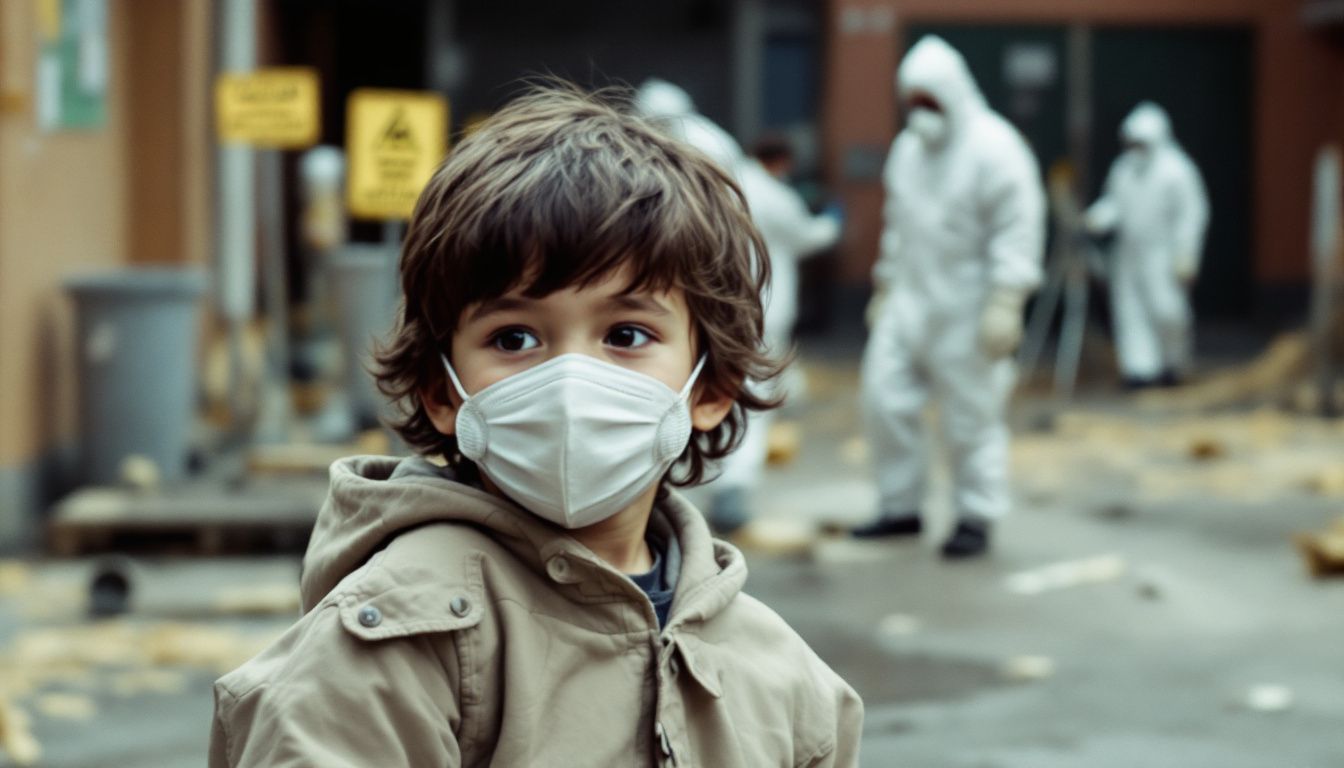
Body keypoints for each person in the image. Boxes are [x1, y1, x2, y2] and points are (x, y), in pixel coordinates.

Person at [207, 84, 862, 767]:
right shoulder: (386, 648)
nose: (570, 382)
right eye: (516, 338)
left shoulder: (787, 684)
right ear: (441, 389)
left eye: (627, 334)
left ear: (713, 387)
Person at [853, 36, 1046, 558]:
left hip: (969, 307)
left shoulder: (996, 148)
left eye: (929, 101)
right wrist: (886, 283)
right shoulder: (908, 151)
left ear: (955, 95)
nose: (920, 113)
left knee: (970, 417)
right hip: (910, 301)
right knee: (883, 400)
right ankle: (900, 507)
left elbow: (1018, 230)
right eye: (912, 102)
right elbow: (898, 225)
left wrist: (1007, 299)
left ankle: (975, 516)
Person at [634, 81, 841, 533]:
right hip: (731, 300)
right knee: (720, 391)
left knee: (718, 389)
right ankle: (714, 490)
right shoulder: (721, 158)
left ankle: (711, 491)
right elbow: (806, 235)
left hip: (719, 301)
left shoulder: (680, 155)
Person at [1086, 102, 1210, 388]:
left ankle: (1173, 364)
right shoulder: (1124, 168)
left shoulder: (1177, 170)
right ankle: (1139, 369)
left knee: (1168, 310)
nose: (1136, 148)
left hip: (1162, 253)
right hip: (1129, 253)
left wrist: (1187, 253)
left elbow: (1192, 214)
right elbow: (1115, 203)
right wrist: (1095, 219)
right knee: (1129, 313)